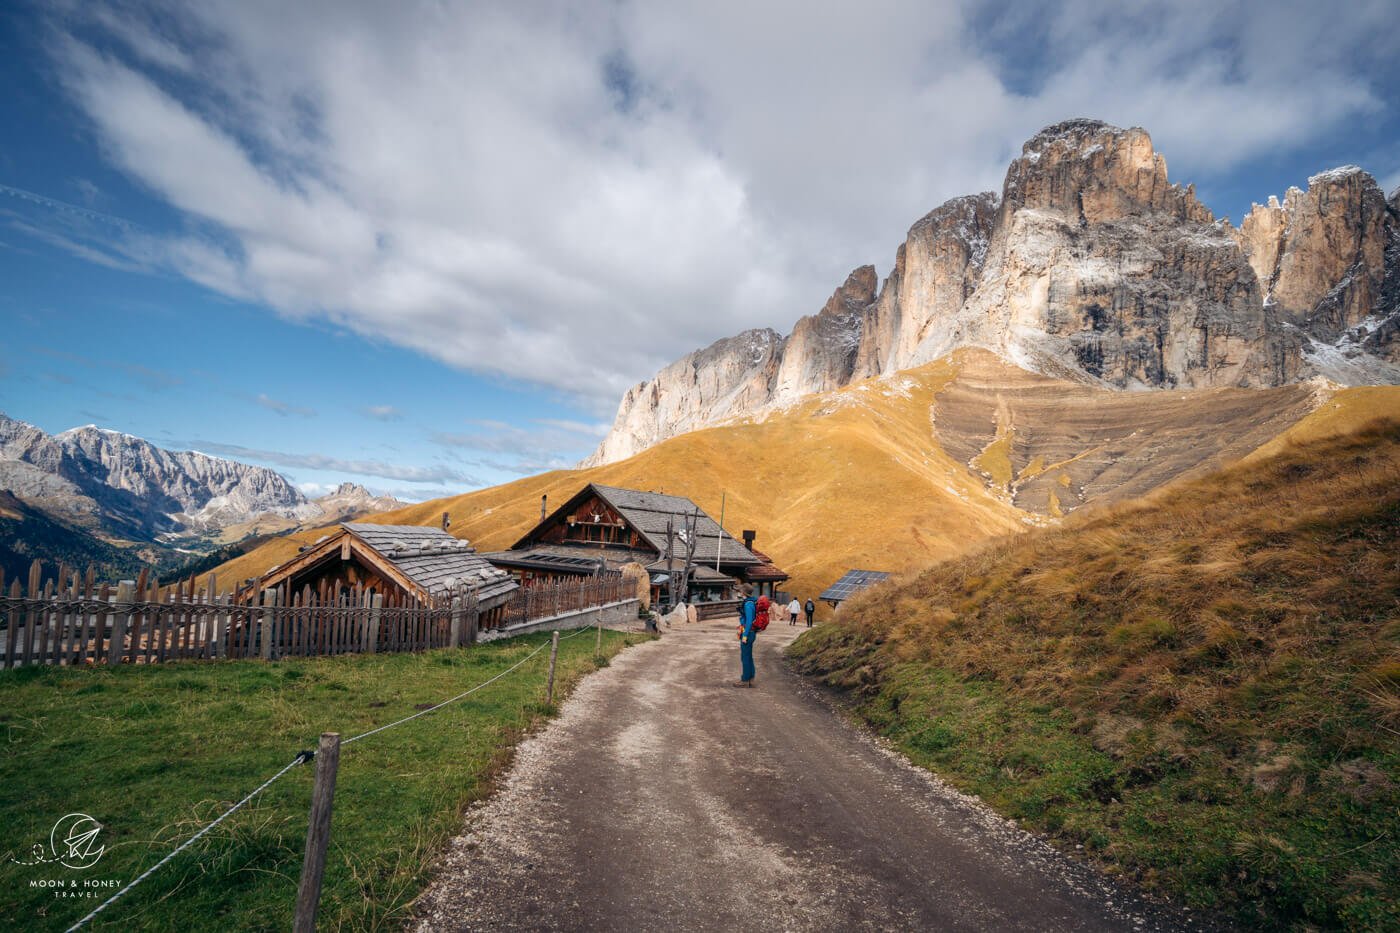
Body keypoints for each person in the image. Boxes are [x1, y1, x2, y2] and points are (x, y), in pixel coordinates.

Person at [734, 585, 758, 687]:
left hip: (748, 633)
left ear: (744, 592)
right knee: (749, 656)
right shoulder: (752, 602)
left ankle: (744, 680)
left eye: (740, 591)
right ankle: (751, 679)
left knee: (745, 657)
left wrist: (745, 635)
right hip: (751, 632)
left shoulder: (748, 604)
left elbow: (749, 621)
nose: (739, 593)